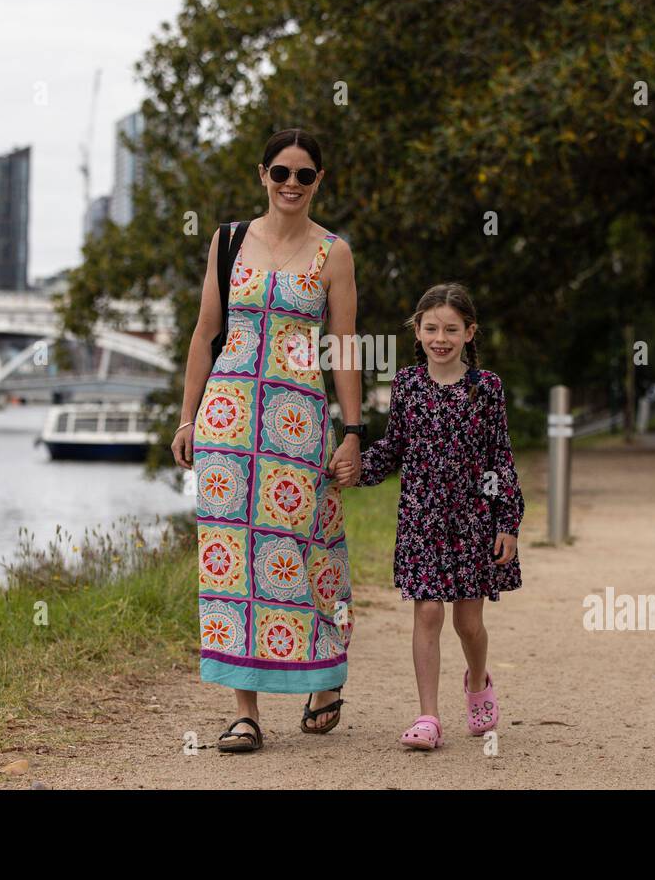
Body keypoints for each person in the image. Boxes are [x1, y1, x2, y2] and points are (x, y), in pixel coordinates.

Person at [171, 128, 364, 753]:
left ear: (318, 181)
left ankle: (324, 674)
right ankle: (244, 712)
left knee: (307, 547)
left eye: (304, 175)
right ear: (263, 175)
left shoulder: (334, 253)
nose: (291, 184)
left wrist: (353, 432)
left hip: (297, 421)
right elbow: (206, 333)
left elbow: (344, 346)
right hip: (228, 421)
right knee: (231, 557)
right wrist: (187, 418)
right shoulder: (228, 240)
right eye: (281, 172)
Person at [346, 282, 523, 749]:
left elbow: (500, 458)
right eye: (431, 329)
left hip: (473, 520)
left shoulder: (487, 388)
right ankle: (428, 717)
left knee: (468, 623)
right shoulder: (406, 384)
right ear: (417, 331)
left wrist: (507, 522)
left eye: (451, 329)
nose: (440, 338)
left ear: (470, 332)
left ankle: (478, 681)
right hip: (421, 518)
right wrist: (356, 468)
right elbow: (393, 448)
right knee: (427, 612)